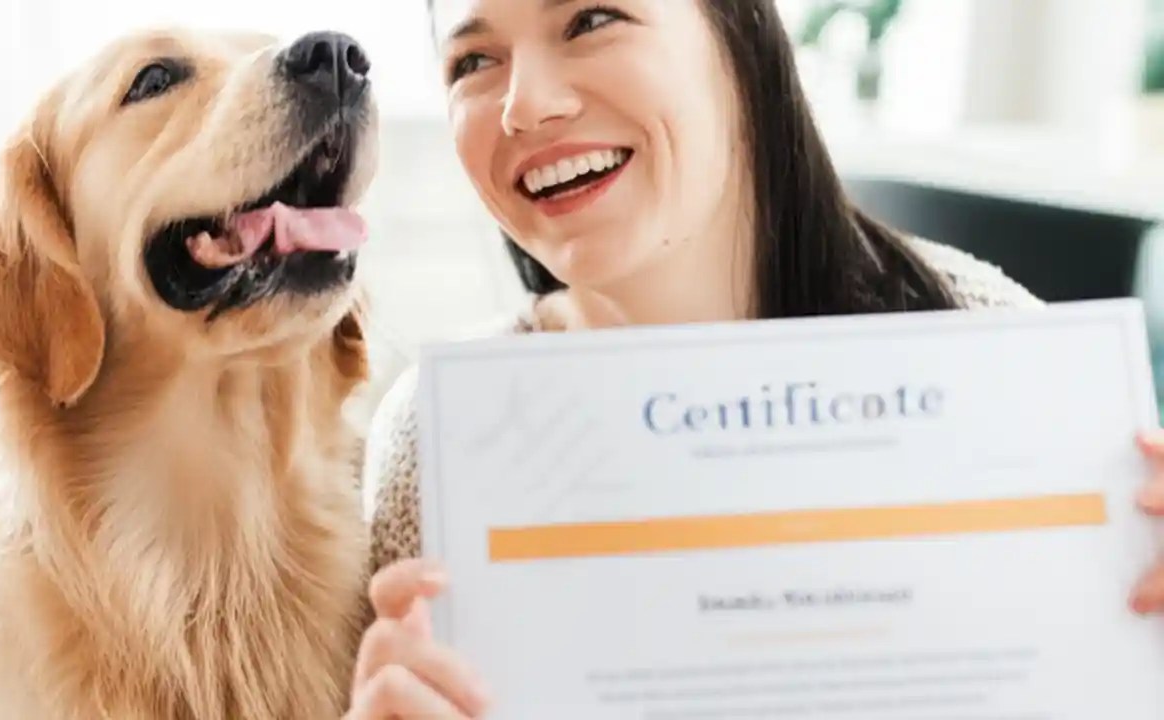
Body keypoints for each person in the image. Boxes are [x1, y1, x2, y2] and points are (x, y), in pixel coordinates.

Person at [344, 0, 1164, 716]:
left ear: (739, 37)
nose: (525, 104)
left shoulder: (984, 340)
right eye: (473, 61)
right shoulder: (435, 442)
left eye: (591, 20)